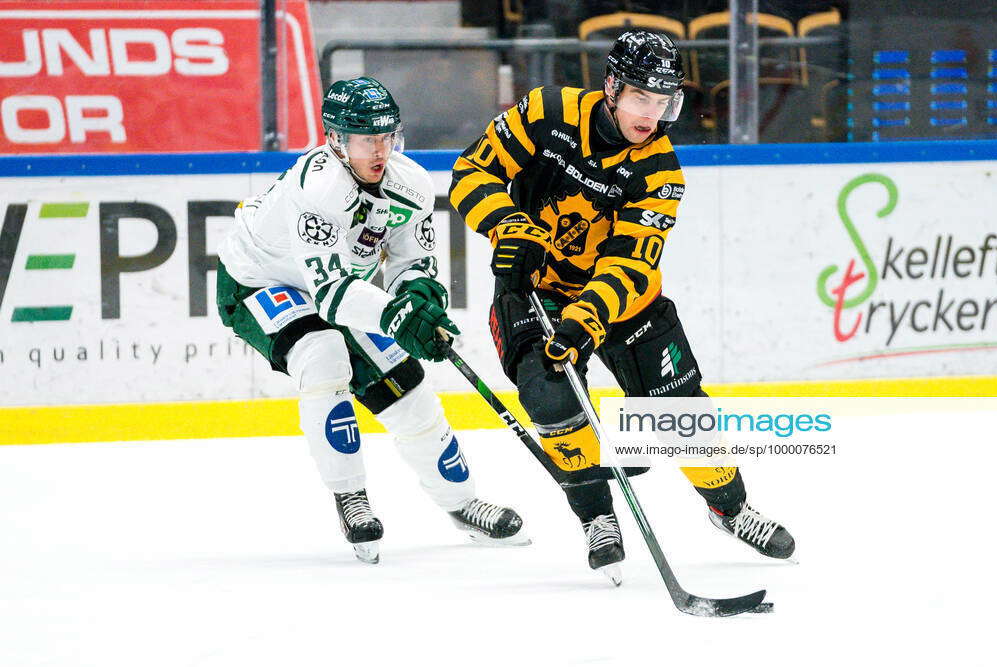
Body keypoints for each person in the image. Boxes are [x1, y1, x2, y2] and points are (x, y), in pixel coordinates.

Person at [449, 32, 794, 581]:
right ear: (612, 87)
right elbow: (472, 171)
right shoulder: (546, 112)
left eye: (664, 102)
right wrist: (509, 225)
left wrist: (585, 319)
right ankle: (598, 519)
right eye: (641, 98)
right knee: (551, 398)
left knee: (681, 412)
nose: (651, 116)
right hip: (535, 286)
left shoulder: (661, 172)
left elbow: (630, 263)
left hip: (624, 302)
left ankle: (730, 509)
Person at [216, 76, 528, 564]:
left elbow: (411, 264)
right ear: (336, 140)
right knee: (322, 353)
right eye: (367, 139)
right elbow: (331, 295)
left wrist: (419, 298)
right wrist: (397, 316)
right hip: (259, 282)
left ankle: (462, 503)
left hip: (342, 288)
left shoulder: (411, 184)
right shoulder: (317, 188)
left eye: (387, 136)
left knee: (406, 384)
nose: (381, 150)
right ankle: (351, 495)